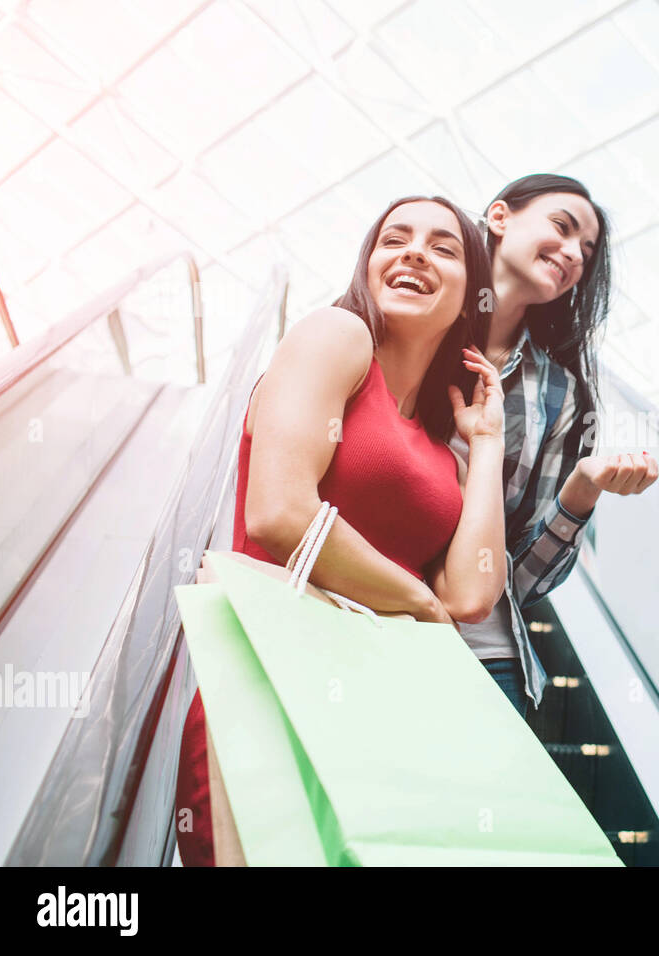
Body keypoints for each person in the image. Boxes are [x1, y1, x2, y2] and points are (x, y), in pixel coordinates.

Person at [176, 195, 507, 866]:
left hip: (377, 713)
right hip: (273, 683)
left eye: (444, 248)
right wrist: (417, 604)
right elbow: (278, 514)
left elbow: (471, 596)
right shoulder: (336, 335)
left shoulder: (445, 448)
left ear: (473, 295)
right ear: (369, 264)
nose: (415, 251)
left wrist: (490, 443)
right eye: (395, 239)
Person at [450, 173, 658, 716]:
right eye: (561, 228)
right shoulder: (408, 323)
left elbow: (517, 581)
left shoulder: (558, 394)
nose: (572, 254)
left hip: (480, 658)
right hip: (359, 620)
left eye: (585, 253)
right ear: (499, 218)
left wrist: (578, 496)